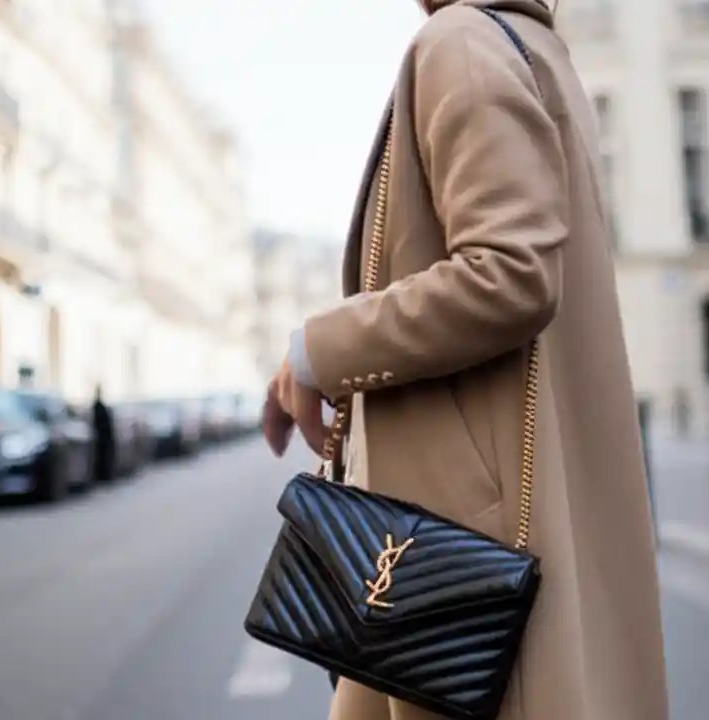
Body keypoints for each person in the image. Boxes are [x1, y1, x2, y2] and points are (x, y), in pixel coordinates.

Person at [263, 1, 668, 718]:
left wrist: (317, 350)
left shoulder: (463, 42)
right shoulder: (537, 48)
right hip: (478, 533)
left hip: (451, 560)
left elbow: (510, 273)